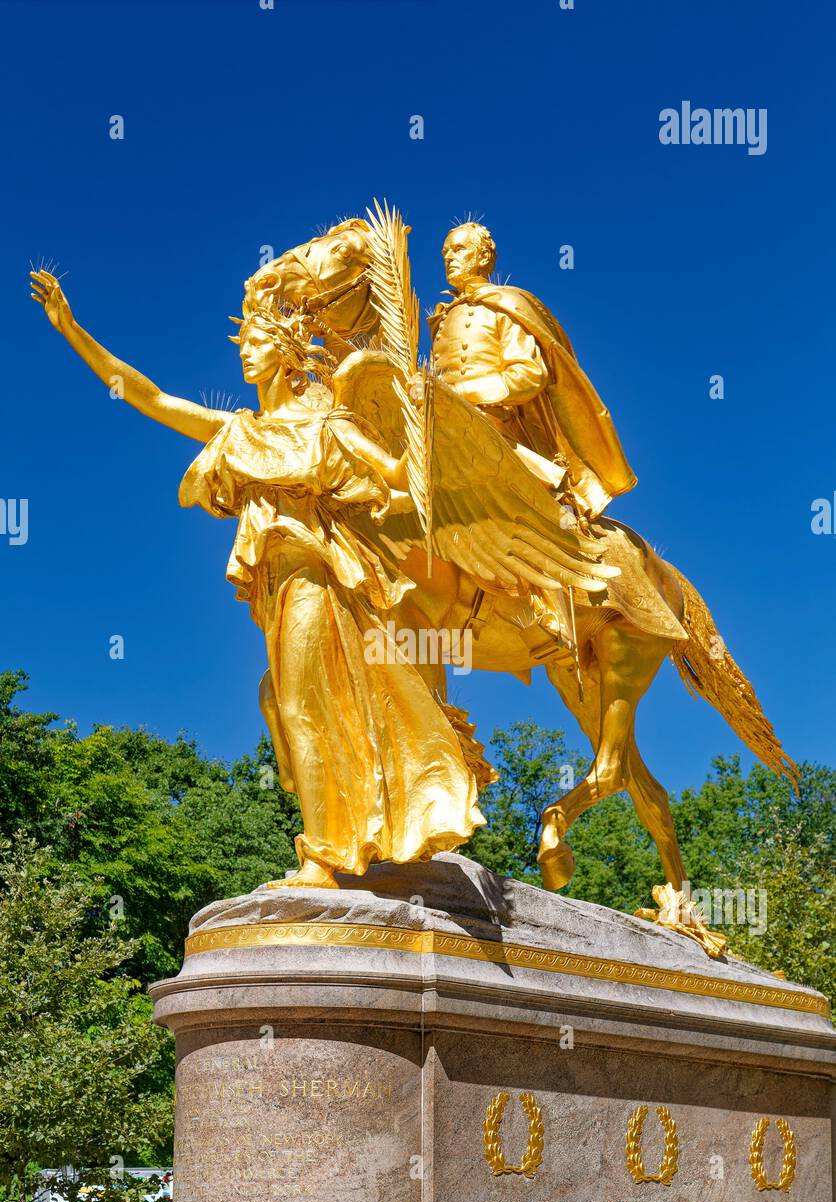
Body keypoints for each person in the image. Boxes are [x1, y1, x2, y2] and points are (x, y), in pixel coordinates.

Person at [30, 270, 487, 888]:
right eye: (242, 341)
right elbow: (154, 400)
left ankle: (322, 859)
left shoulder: (330, 427)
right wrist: (73, 330)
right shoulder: (240, 431)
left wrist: (422, 413)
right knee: (284, 704)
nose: (244, 350)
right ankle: (346, 838)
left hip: (316, 581)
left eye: (255, 339)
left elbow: (404, 478)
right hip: (275, 593)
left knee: (300, 705)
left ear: (289, 350)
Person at [428, 221, 637, 519]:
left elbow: (529, 374)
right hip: (442, 428)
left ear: (483, 257)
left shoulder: (505, 305)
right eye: (445, 252)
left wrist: (462, 394)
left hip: (497, 429)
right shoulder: (442, 319)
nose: (449, 257)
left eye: (459, 249)